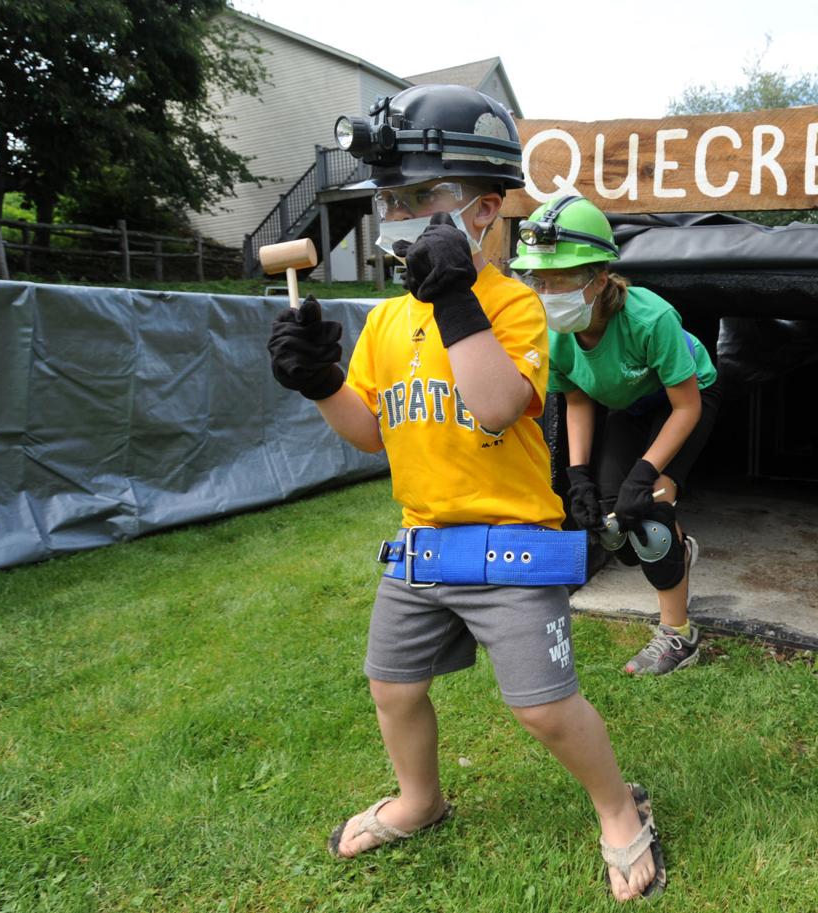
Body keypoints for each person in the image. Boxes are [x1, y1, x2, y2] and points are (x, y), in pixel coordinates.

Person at [265, 85, 664, 901]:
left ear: (485, 210)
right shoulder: (382, 323)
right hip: (420, 546)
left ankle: (620, 808)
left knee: (546, 708)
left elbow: (493, 405)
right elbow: (371, 431)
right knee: (393, 688)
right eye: (390, 198)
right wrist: (319, 382)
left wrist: (453, 300)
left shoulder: (518, 308)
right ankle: (421, 798)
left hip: (511, 545)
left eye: (421, 198)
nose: (399, 214)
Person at [510, 195, 721, 676]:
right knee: (613, 524)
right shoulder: (552, 332)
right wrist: (578, 476)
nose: (546, 290)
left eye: (560, 278)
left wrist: (646, 475)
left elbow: (685, 406)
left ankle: (678, 635)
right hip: (628, 405)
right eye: (538, 279)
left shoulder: (652, 319)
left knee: (649, 514)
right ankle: (680, 554)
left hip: (685, 401)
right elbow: (579, 398)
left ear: (599, 277)